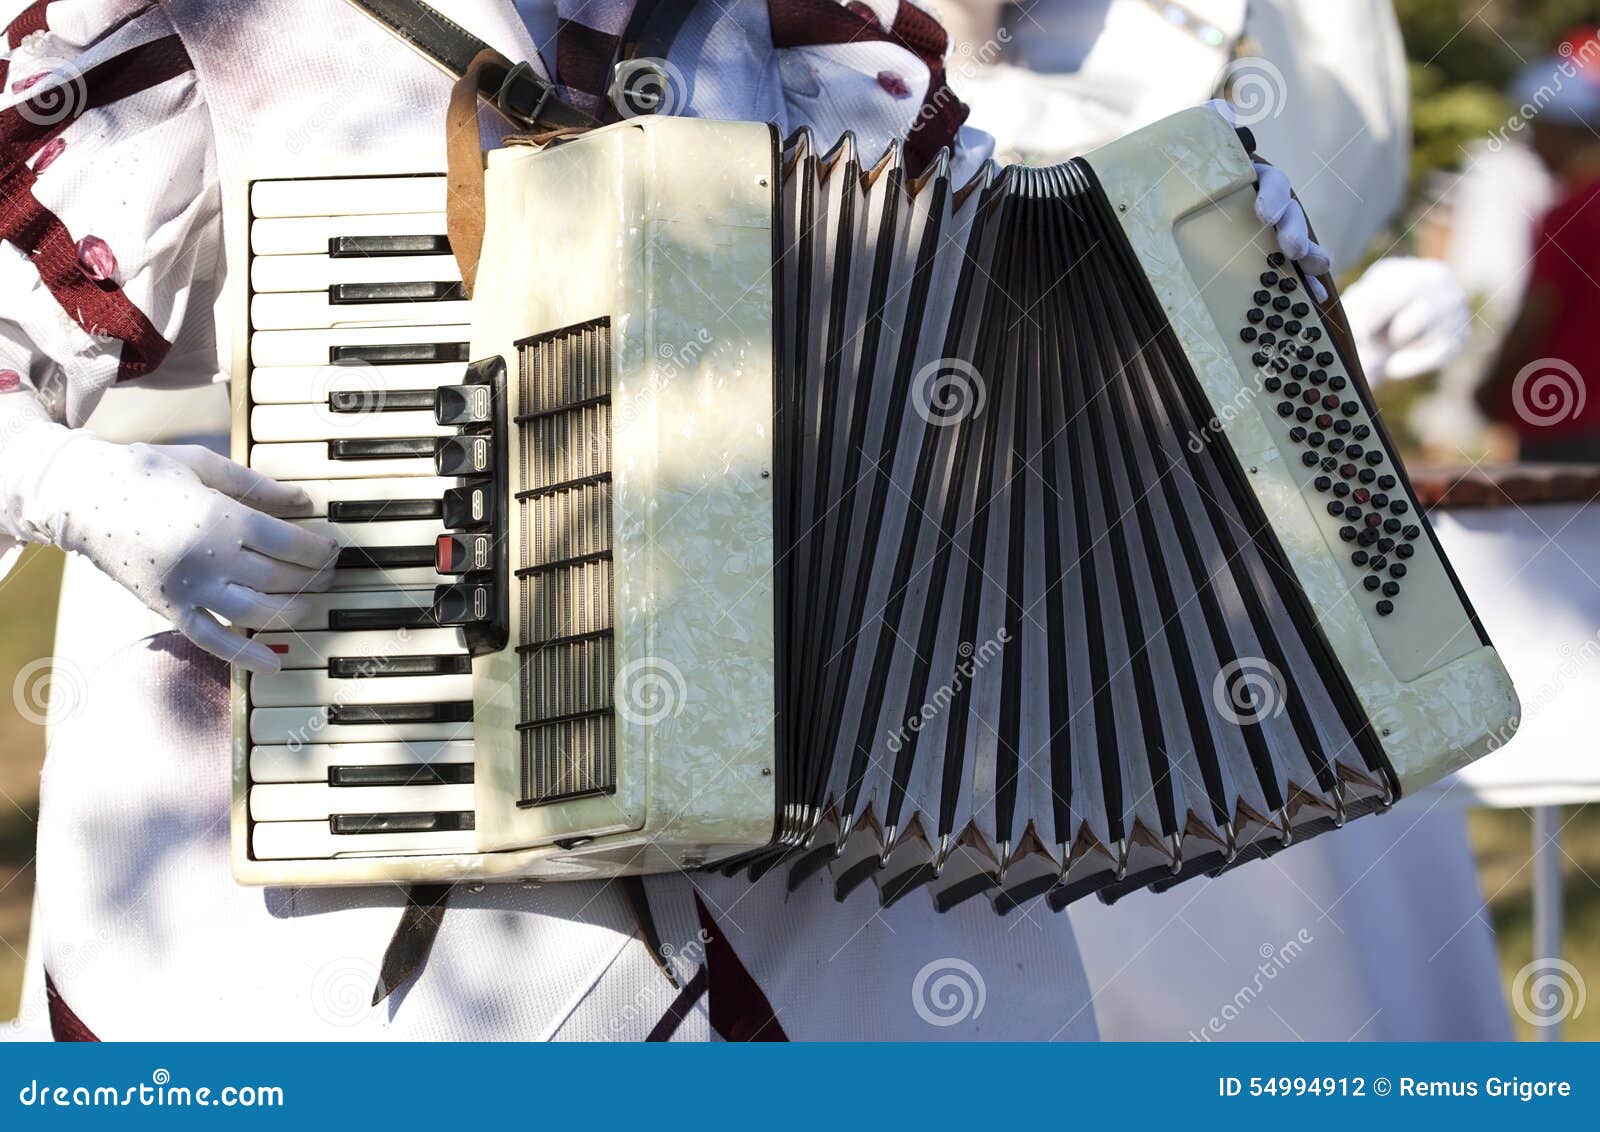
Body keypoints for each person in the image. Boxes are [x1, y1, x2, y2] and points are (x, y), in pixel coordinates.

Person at [1, 0, 1330, 1040]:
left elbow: (1012, 297)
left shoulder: (811, 32)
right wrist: (82, 492)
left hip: (830, 848)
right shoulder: (204, 29)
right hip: (401, 864)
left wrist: (1197, 267)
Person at [927, 0, 1510, 1040]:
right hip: (996, 662)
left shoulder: (1181, 68)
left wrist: (1324, 334)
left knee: (1325, 979)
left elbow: (1245, 363)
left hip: (1250, 614)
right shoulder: (810, 92)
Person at [1476, 40, 1600, 464]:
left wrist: (1491, 389)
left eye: (1536, 130)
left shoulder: (1568, 213)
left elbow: (1537, 312)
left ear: (1560, 131)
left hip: (1564, 427)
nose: (1530, 146)